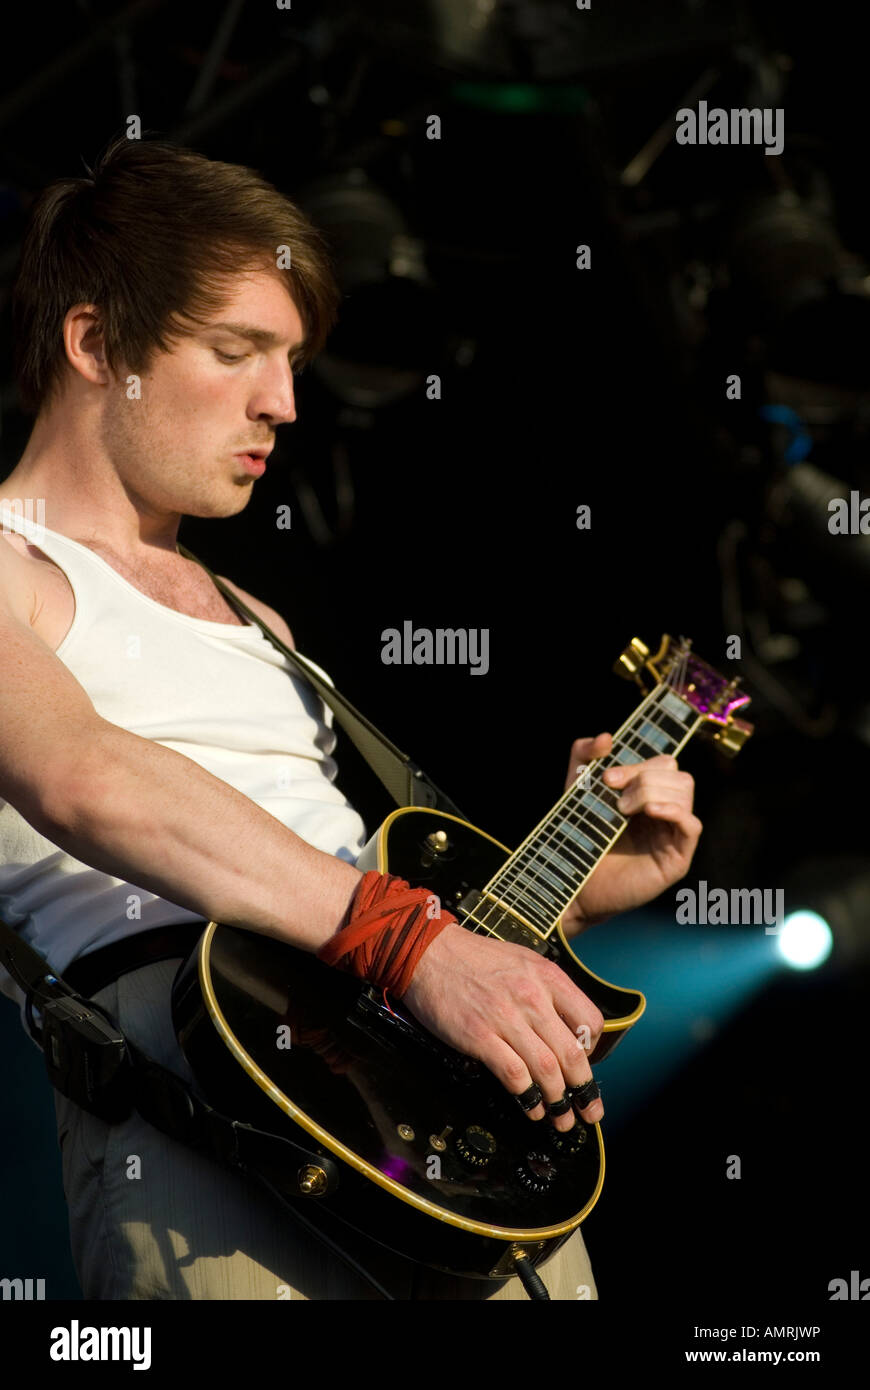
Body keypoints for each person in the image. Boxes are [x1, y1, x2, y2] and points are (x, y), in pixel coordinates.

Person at [0, 136, 703, 1300]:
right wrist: (417, 945)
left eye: (292, 361)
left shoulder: (262, 619)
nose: (282, 401)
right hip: (196, 1092)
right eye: (238, 352)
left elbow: (343, 879)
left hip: (416, 1091)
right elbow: (85, 774)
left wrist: (573, 885)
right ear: (96, 344)